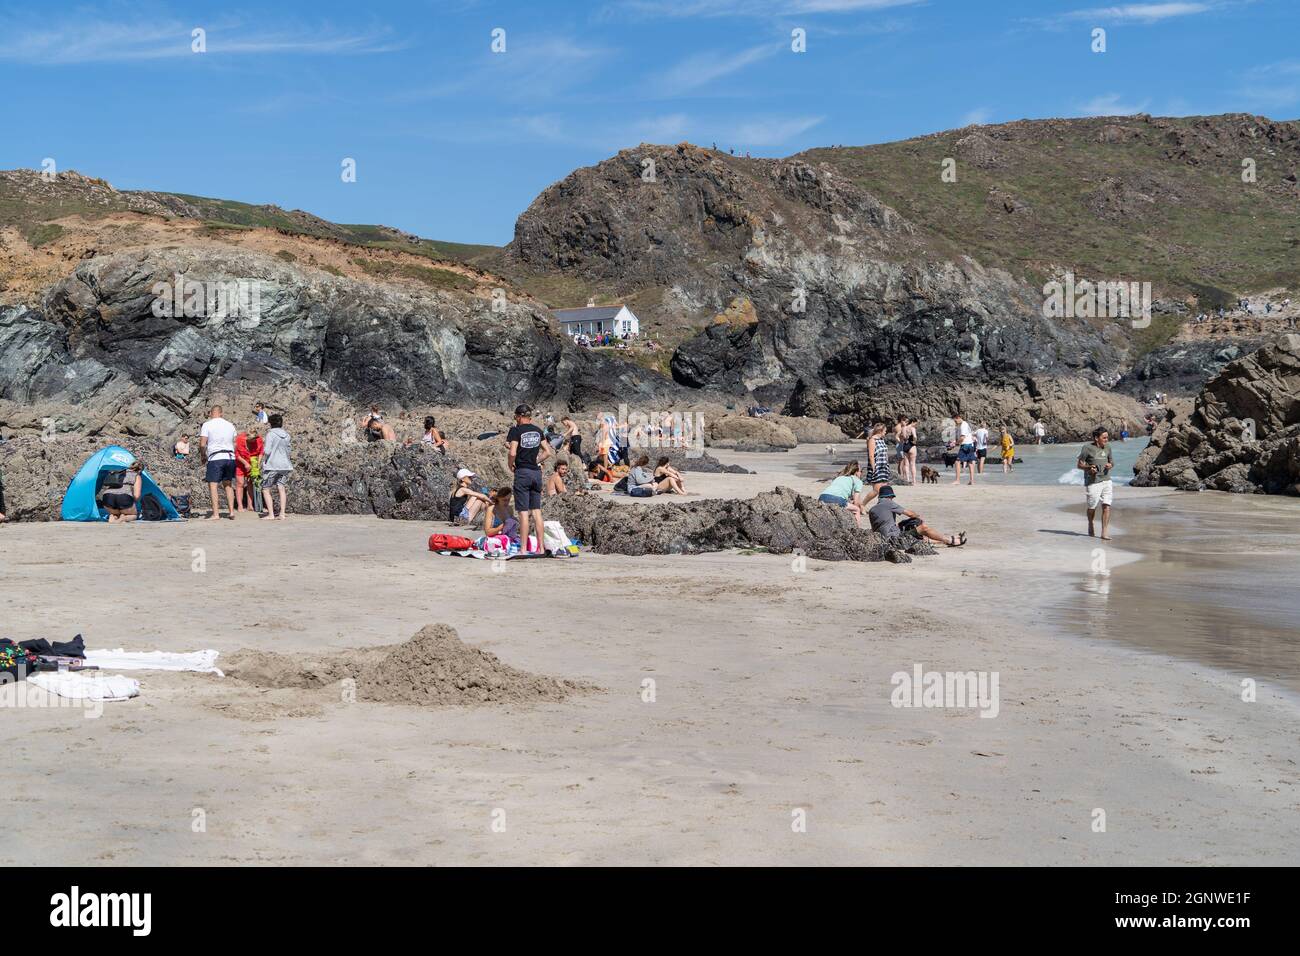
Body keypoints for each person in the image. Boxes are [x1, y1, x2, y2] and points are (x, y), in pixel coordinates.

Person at [507, 403, 551, 554]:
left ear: (519, 417)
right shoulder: (538, 431)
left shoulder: (516, 431)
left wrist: (510, 465)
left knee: (523, 512)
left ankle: (524, 549)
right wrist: (536, 461)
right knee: (537, 511)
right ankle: (541, 548)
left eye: (516, 417)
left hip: (523, 472)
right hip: (536, 473)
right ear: (530, 417)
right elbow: (547, 452)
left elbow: (512, 452)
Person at [868, 484, 966, 547]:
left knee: (917, 535)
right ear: (890, 496)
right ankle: (950, 540)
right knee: (923, 528)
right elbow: (910, 514)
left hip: (884, 539)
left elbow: (880, 528)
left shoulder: (872, 510)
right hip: (894, 538)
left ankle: (945, 539)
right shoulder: (888, 503)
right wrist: (917, 517)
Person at [200, 405, 238, 520]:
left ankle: (216, 514)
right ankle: (231, 512)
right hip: (230, 457)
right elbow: (235, 443)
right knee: (228, 484)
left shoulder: (207, 424)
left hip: (216, 457)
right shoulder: (230, 425)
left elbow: (202, 443)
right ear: (221, 413)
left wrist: (203, 455)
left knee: (213, 485)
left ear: (211, 413)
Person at [1077, 427, 1115, 540]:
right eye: (1104, 437)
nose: (1106, 440)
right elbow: (1079, 465)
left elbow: (1112, 461)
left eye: (1107, 437)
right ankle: (1090, 523)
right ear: (1096, 438)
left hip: (1107, 480)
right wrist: (1089, 468)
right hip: (1093, 481)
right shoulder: (1087, 448)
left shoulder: (1108, 447)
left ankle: (1104, 532)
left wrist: (1110, 465)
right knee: (1092, 506)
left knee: (1106, 505)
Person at [818, 461, 876, 528]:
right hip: (836, 499)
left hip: (822, 496)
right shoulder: (858, 481)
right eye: (860, 471)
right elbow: (856, 501)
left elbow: (838, 491)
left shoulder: (839, 477)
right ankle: (857, 529)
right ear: (856, 472)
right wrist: (857, 507)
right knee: (856, 509)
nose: (861, 473)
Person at [260, 413, 292, 520]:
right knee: (281, 488)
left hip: (272, 465)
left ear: (270, 423)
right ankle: (282, 513)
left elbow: (267, 451)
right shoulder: (287, 435)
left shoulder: (271, 434)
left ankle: (271, 514)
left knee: (265, 489)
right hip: (285, 465)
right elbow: (289, 451)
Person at [234, 426, 263, 513]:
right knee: (240, 483)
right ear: (247, 437)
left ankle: (250, 505)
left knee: (250, 483)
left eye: (255, 439)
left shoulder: (258, 439)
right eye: (251, 440)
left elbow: (261, 452)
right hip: (240, 463)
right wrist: (245, 463)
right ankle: (240, 506)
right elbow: (236, 454)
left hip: (253, 462)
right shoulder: (240, 439)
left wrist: (258, 463)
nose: (253, 441)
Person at [952, 412, 976, 486]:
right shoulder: (965, 424)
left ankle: (957, 480)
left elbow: (962, 438)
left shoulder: (963, 425)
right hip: (970, 445)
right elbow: (969, 435)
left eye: (955, 421)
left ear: (958, 418)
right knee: (970, 463)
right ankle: (971, 481)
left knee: (957, 462)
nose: (955, 422)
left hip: (966, 446)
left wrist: (955, 443)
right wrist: (955, 441)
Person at [865, 423, 891, 490]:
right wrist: (874, 469)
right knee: (876, 490)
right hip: (877, 467)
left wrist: (887, 465)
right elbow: (871, 456)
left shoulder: (882, 440)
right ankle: (864, 501)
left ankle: (881, 501)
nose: (885, 432)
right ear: (880, 431)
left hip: (884, 467)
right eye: (885, 431)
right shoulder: (872, 440)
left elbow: (885, 453)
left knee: (884, 489)